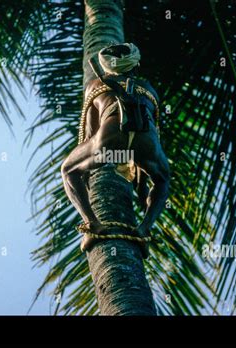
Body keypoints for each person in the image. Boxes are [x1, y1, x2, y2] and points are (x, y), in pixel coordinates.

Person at [61, 43, 170, 254]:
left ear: (107, 67)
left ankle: (93, 224)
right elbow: (152, 130)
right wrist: (140, 171)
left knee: (68, 170)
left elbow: (91, 134)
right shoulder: (149, 89)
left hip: (108, 140)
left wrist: (88, 165)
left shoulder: (94, 85)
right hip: (145, 143)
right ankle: (144, 229)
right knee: (163, 180)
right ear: (135, 65)